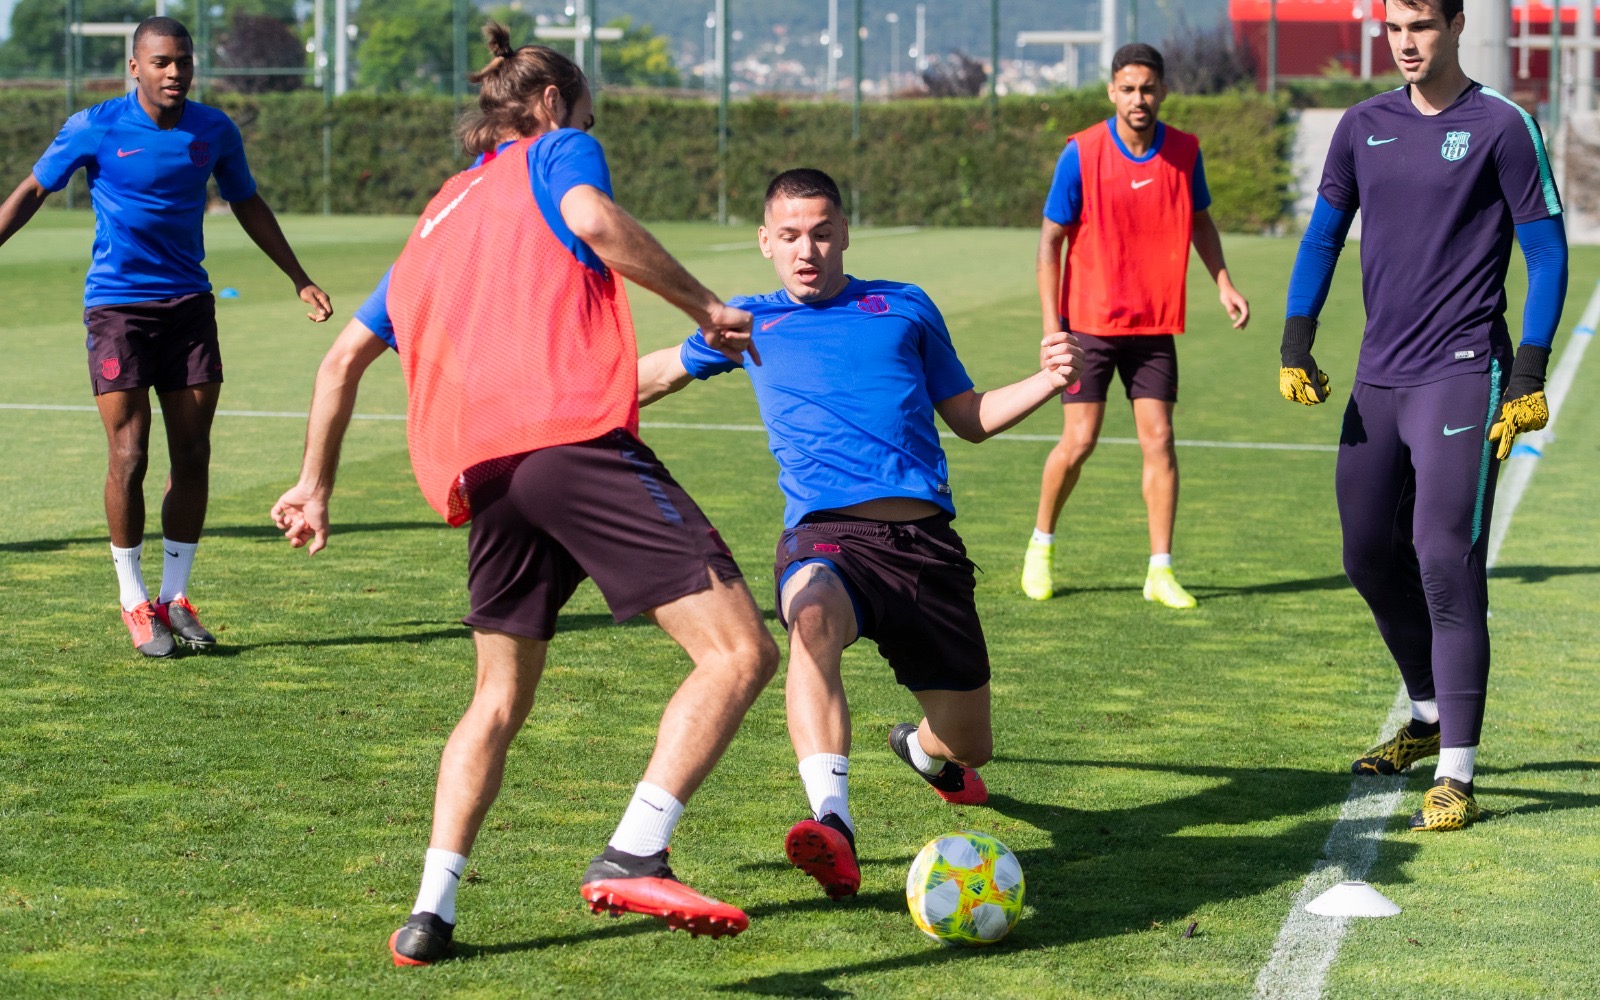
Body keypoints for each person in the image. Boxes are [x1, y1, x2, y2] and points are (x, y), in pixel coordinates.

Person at [270, 27, 778, 966]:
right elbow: (592, 220)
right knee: (740, 652)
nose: (590, 133)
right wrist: (707, 305)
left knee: (496, 700)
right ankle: (635, 850)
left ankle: (430, 913)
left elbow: (344, 357)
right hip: (572, 452)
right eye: (587, 117)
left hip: (490, 479)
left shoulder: (438, 215)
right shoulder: (559, 152)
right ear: (551, 109)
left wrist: (314, 482)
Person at [636, 168, 1082, 900]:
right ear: (765, 243)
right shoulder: (748, 321)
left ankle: (923, 750)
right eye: (788, 236)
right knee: (810, 618)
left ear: (843, 233)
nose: (805, 249)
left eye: (819, 232)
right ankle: (833, 821)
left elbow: (968, 418)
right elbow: (655, 373)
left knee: (971, 745)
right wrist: (559, 404)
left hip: (927, 549)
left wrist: (1046, 381)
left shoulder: (904, 307)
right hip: (827, 537)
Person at [1279, 0, 1568, 831]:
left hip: (1465, 376)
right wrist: (1297, 342)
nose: (1407, 43)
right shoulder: (1361, 123)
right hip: (1378, 376)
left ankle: (1457, 773)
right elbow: (1324, 236)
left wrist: (1528, 372)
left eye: (1422, 27)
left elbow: (1546, 251)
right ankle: (1428, 714)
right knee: (1367, 554)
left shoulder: (1503, 125)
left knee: (1444, 559)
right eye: (1395, 28)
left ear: (1454, 26)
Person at [0, 16, 332, 657]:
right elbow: (34, 190)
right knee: (130, 457)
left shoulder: (214, 130)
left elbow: (247, 202)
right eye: (160, 62)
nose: (174, 72)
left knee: (194, 453)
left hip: (189, 309)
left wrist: (298, 277)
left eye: (182, 61)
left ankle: (175, 600)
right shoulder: (93, 125)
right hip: (118, 310)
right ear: (135, 67)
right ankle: (133, 601)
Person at [1021, 43, 1250, 608]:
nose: (1138, 98)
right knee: (1078, 443)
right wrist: (1055, 328)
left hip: (1152, 326)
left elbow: (1200, 221)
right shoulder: (1082, 153)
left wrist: (1223, 281)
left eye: (1147, 88)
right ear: (1112, 92)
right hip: (1090, 326)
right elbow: (1050, 243)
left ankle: (1160, 570)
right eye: (1127, 88)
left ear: (1162, 91)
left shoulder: (1184, 152)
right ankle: (1040, 546)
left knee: (1161, 442)